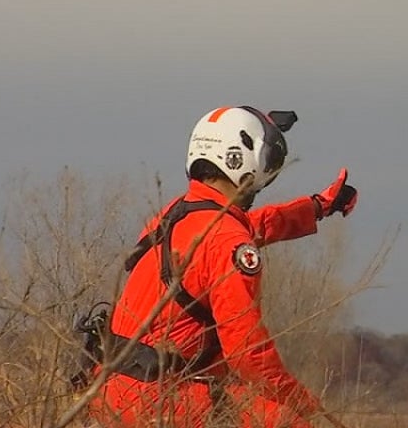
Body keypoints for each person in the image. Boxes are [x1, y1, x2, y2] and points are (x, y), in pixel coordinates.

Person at [86, 106, 359, 428]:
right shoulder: (228, 241)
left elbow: (250, 226)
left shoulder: (177, 214)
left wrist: (315, 207)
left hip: (110, 389)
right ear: (241, 162)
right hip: (163, 400)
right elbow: (248, 354)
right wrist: (301, 401)